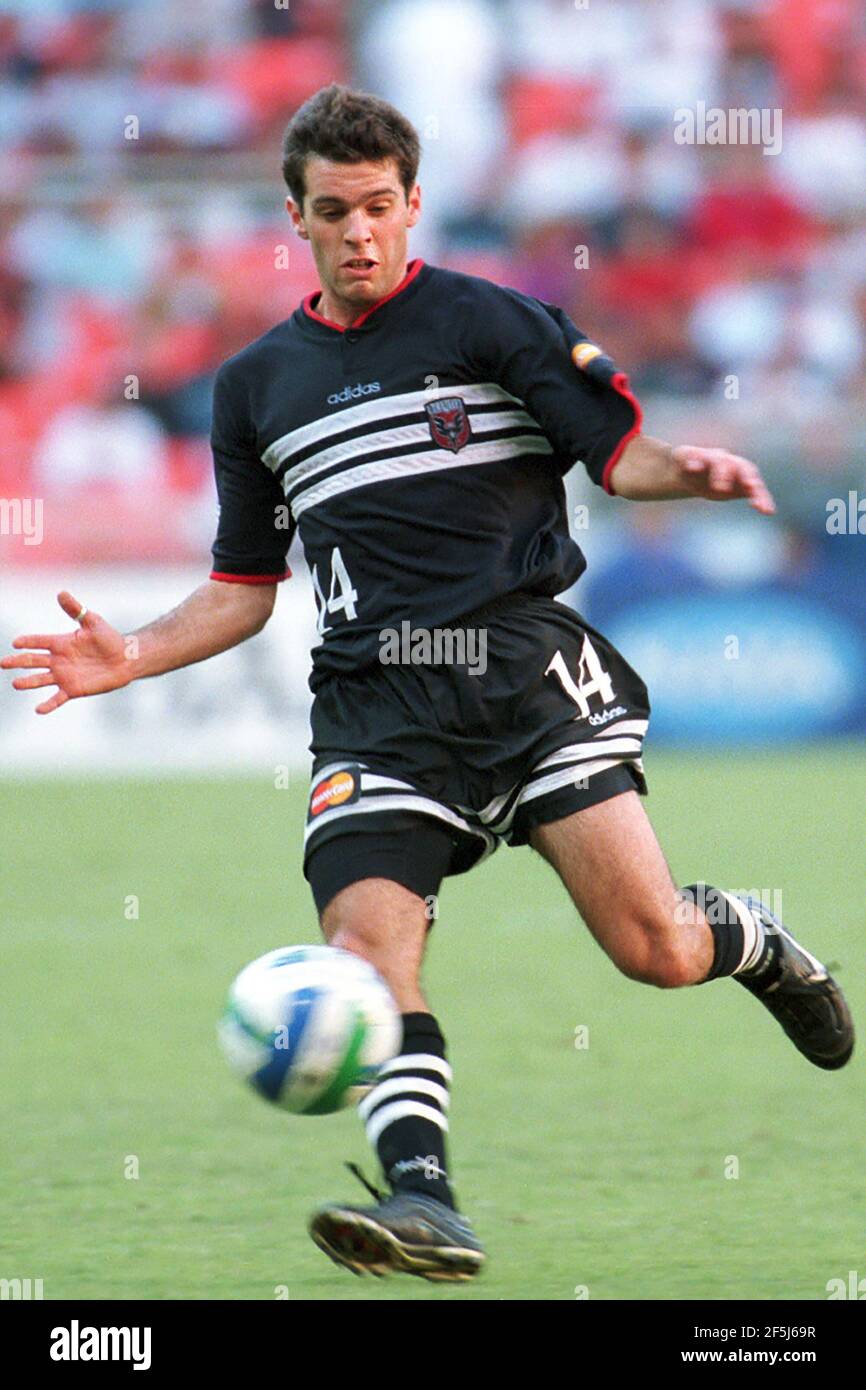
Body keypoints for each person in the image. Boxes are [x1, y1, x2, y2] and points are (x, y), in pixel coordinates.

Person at [2, 84, 853, 1285]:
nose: (358, 232)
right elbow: (246, 583)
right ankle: (423, 1201)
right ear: (293, 218)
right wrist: (132, 652)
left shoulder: (493, 324)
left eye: (379, 207)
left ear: (413, 205)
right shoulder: (256, 390)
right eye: (332, 210)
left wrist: (688, 473)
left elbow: (621, 454)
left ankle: (760, 945)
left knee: (655, 947)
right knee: (363, 951)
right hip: (373, 710)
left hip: (521, 676)